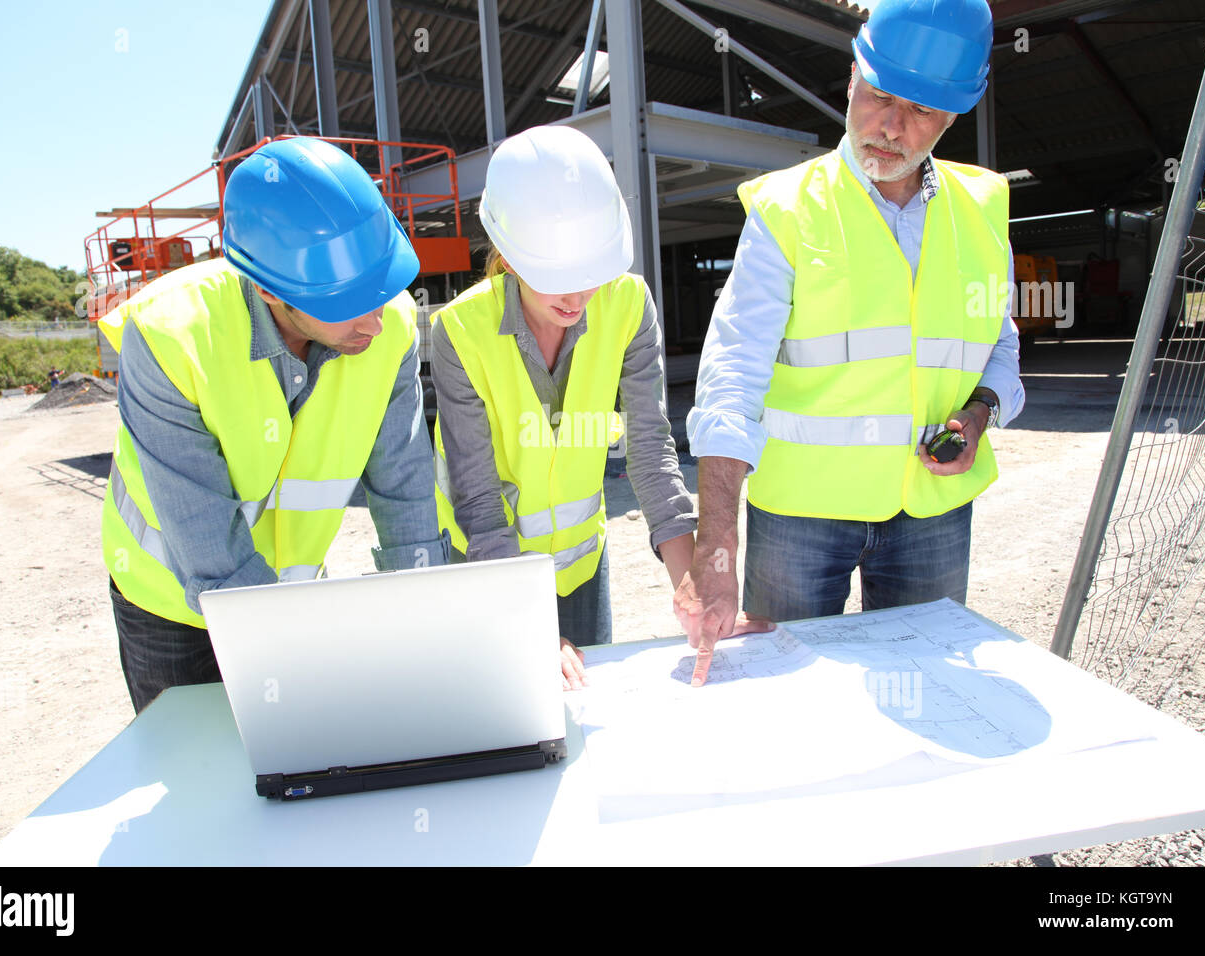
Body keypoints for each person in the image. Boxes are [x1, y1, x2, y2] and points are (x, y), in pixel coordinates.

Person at [676, 0, 1025, 686]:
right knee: (793, 703)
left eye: (921, 110)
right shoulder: (786, 210)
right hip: (800, 519)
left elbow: (999, 346)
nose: (891, 126)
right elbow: (731, 379)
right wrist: (715, 549)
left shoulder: (983, 210)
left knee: (930, 687)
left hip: (932, 512)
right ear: (852, 80)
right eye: (880, 96)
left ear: (952, 115)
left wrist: (980, 414)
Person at [100, 137, 450, 713]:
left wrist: (428, 617)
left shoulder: (392, 329)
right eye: (348, 301)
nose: (376, 321)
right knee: (198, 774)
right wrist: (292, 660)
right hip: (168, 603)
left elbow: (405, 488)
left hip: (289, 593)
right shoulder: (170, 336)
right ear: (267, 287)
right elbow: (208, 542)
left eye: (381, 291)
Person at [430, 125, 767, 690]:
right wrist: (529, 628)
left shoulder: (629, 305)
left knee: (588, 709)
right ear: (510, 255)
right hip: (488, 569)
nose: (578, 297)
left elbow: (652, 453)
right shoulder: (459, 332)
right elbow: (480, 503)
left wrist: (695, 592)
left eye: (591, 274)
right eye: (557, 278)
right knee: (512, 711)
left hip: (583, 567)